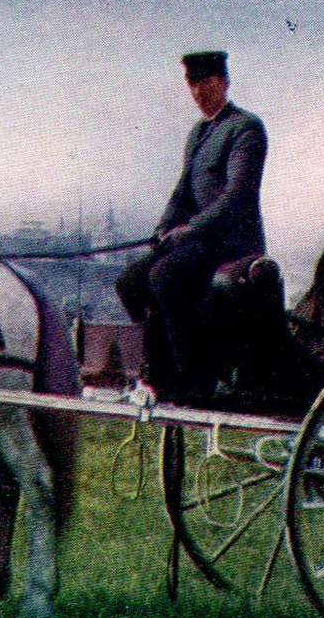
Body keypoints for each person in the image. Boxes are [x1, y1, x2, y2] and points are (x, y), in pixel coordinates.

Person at [115, 50, 269, 401]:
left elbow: (238, 196)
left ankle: (194, 380)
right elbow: (182, 192)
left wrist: (190, 229)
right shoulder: (198, 133)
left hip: (232, 243)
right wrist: (163, 228)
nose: (200, 92)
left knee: (165, 277)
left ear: (225, 83)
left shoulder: (245, 128)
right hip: (198, 242)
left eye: (207, 83)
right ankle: (162, 372)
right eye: (193, 84)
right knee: (131, 282)